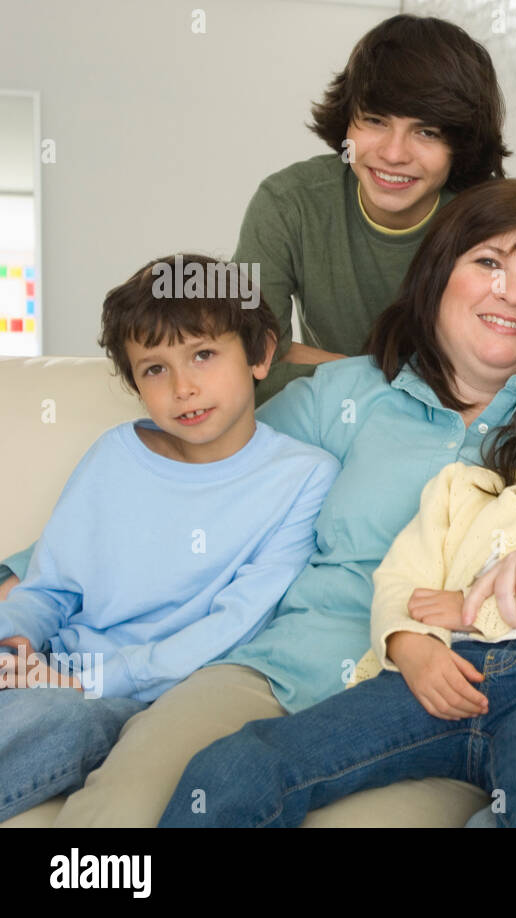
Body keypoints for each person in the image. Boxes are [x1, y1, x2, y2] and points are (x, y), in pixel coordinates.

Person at [13, 180, 516, 828]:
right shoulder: (347, 395)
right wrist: (21, 573)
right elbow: (205, 468)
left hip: (454, 695)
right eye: (488, 264)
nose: (511, 293)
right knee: (130, 814)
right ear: (438, 278)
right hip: (278, 670)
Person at [161, 323, 516, 827]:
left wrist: (473, 607)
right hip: (442, 670)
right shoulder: (460, 490)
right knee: (245, 760)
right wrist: (409, 644)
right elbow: (403, 579)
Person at [0, 255, 339, 822]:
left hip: (130, 696)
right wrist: (16, 642)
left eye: (204, 355)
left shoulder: (302, 476)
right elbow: (50, 588)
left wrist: (85, 680)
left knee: (52, 718)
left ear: (260, 355)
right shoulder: (116, 453)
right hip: (50, 666)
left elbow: (234, 626)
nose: (183, 388)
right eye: (155, 369)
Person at [238, 14, 509, 403]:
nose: (393, 154)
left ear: (461, 144)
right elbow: (250, 359)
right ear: (348, 121)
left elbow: (501, 372)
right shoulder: (289, 203)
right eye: (376, 121)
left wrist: (327, 367)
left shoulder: (492, 220)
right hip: (328, 420)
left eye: (427, 132)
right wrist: (391, 384)